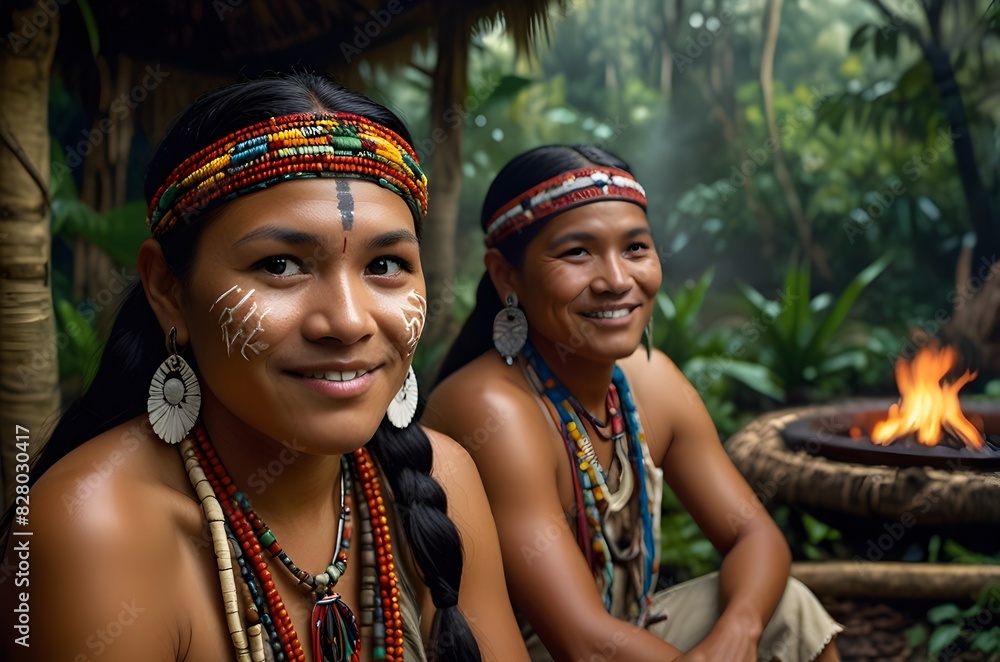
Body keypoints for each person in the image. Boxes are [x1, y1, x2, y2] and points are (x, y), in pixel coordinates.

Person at [0, 73, 529, 662]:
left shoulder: (443, 477)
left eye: (385, 265)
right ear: (168, 289)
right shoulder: (94, 529)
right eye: (280, 264)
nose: (349, 322)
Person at [426, 145, 844, 661]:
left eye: (636, 249)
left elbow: (754, 535)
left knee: (790, 609)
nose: (618, 280)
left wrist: (738, 632)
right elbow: (585, 644)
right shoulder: (492, 408)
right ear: (506, 274)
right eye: (577, 252)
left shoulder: (652, 381)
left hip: (625, 636)